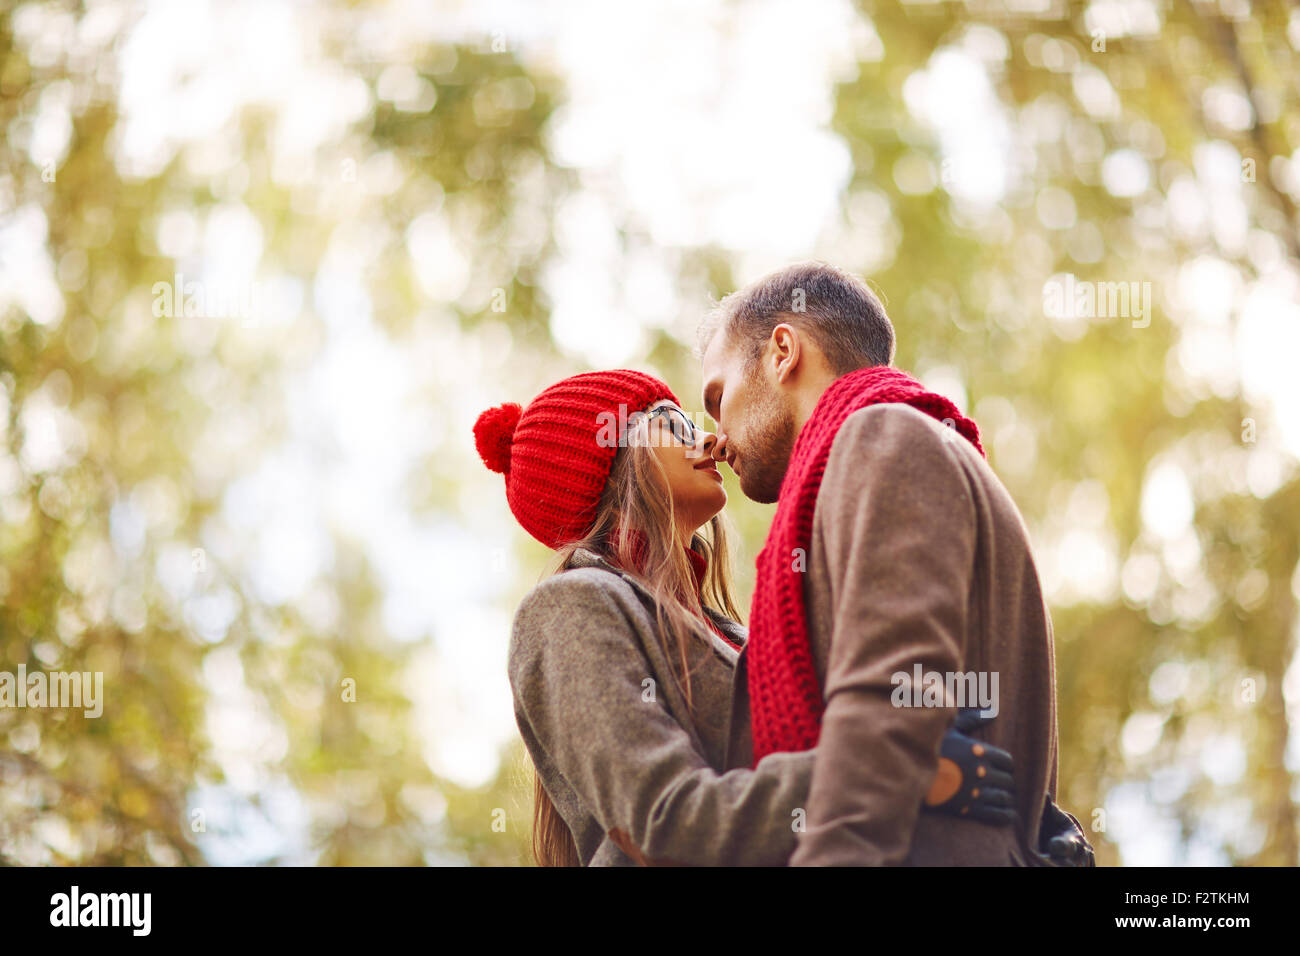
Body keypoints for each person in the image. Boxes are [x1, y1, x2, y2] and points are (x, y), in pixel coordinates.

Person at [474, 369, 1025, 866]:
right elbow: (667, 825)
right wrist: (896, 773)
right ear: (611, 454)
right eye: (673, 422)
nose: (709, 440)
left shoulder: (733, 630)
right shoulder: (569, 608)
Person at [697, 261, 1093, 866]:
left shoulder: (884, 439)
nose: (715, 438)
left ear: (782, 352)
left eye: (718, 397)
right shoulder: (893, 450)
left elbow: (892, 697)